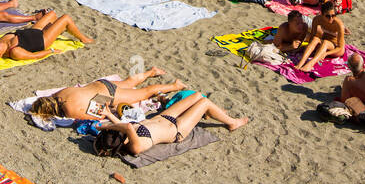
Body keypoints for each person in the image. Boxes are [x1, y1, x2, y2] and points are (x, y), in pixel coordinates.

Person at [92, 92, 249, 156]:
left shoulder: (127, 135)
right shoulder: (135, 145)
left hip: (164, 117)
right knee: (205, 102)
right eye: (116, 133)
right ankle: (232, 123)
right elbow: (125, 126)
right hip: (177, 129)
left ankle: (215, 113)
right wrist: (104, 126)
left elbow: (122, 125)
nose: (118, 132)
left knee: (196, 96)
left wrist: (108, 116)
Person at [29, 67, 185, 121]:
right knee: (129, 83)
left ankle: (174, 85)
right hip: (100, 84)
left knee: (145, 93)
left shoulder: (70, 110)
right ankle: (152, 72)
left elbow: (98, 115)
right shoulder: (60, 93)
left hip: (108, 94)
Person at [0, 9, 95, 62]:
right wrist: (51, 51)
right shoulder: (15, 52)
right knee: (66, 18)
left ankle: (59, 30)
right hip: (42, 40)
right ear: (1, 55)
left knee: (52, 14)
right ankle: (83, 38)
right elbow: (34, 56)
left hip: (34, 31)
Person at [295, 0, 347, 73]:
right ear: (322, 14)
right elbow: (312, 36)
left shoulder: (338, 25)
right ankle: (300, 63)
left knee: (325, 42)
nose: (331, 19)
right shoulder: (317, 20)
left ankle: (310, 64)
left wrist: (326, 53)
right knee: (315, 39)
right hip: (324, 44)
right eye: (328, 16)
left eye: (333, 15)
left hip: (336, 49)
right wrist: (309, 48)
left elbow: (340, 47)